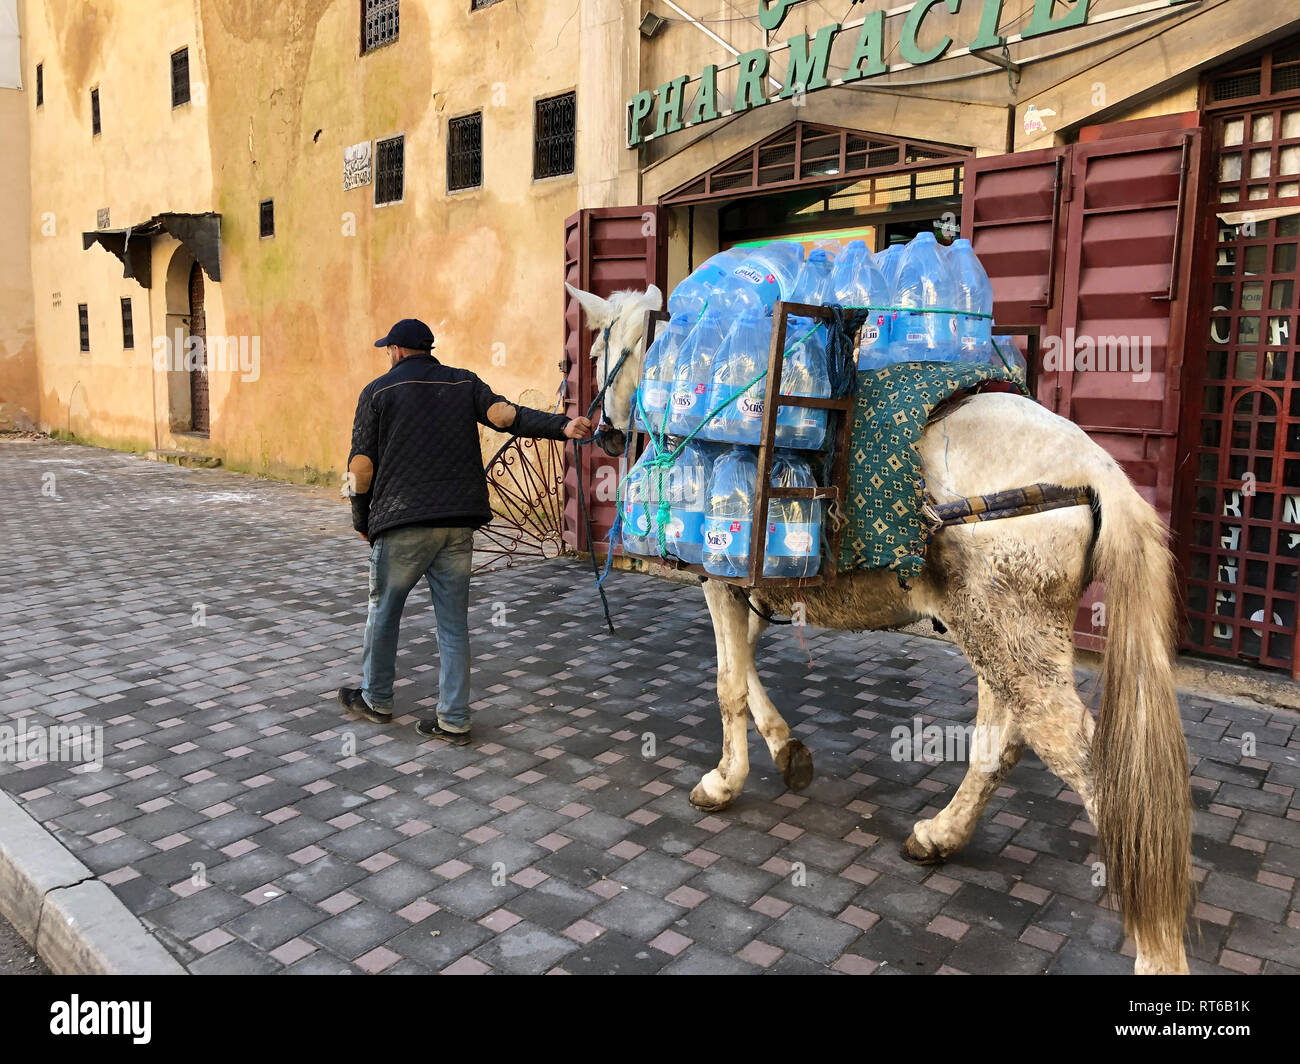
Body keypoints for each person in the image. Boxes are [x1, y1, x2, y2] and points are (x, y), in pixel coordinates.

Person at [339, 318, 591, 745]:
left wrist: (361, 520)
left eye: (389, 349)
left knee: (384, 613)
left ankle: (377, 699)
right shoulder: (463, 383)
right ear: (428, 349)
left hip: (401, 521)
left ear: (396, 351)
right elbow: (507, 416)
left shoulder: (377, 391)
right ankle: (453, 718)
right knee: (452, 624)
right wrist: (563, 426)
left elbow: (360, 468)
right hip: (458, 522)